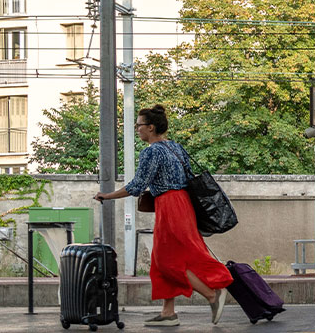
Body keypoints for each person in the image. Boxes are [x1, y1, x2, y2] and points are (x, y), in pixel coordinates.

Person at [93, 105, 234, 327]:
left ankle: (211, 294)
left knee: (166, 260)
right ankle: (168, 313)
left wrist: (107, 196)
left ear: (150, 127)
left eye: (139, 125)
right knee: (165, 259)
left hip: (170, 206)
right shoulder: (176, 147)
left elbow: (138, 185)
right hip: (183, 205)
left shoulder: (152, 151)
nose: (137, 129)